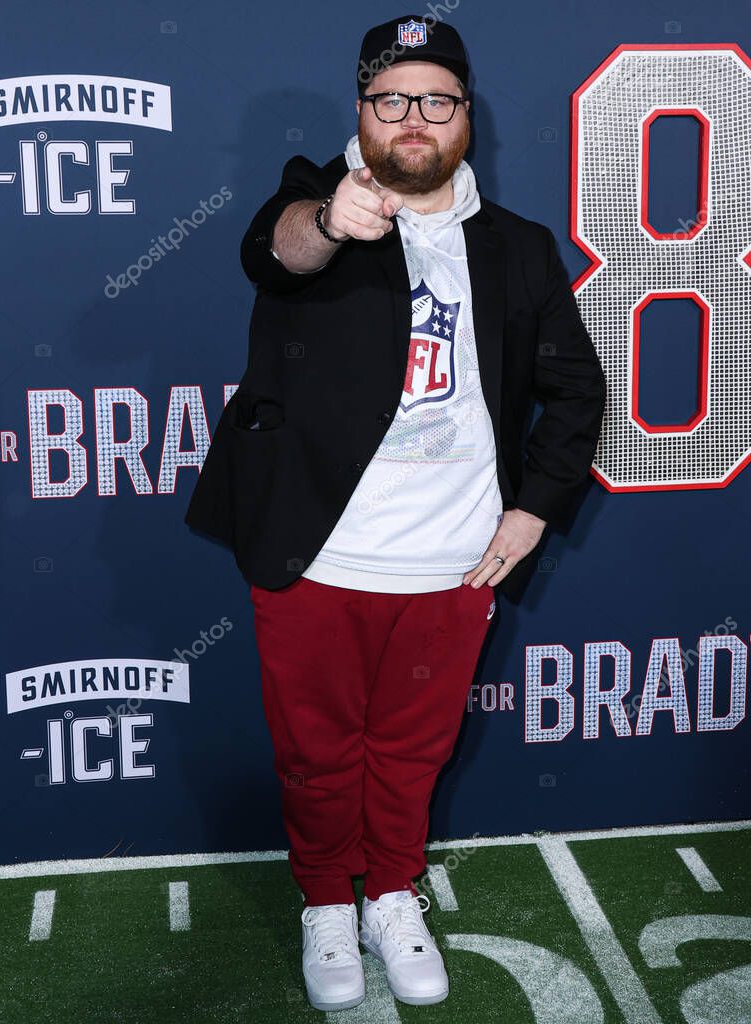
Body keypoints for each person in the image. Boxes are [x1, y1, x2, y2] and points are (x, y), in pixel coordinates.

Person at [184, 12, 606, 1013]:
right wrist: (332, 221)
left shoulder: (520, 248)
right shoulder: (308, 200)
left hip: (456, 565)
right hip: (319, 557)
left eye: (437, 100)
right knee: (317, 749)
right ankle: (328, 898)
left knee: (413, 750)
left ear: (466, 117)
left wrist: (532, 511)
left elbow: (575, 391)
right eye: (391, 100)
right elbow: (278, 250)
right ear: (361, 112)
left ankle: (391, 890)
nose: (414, 119)